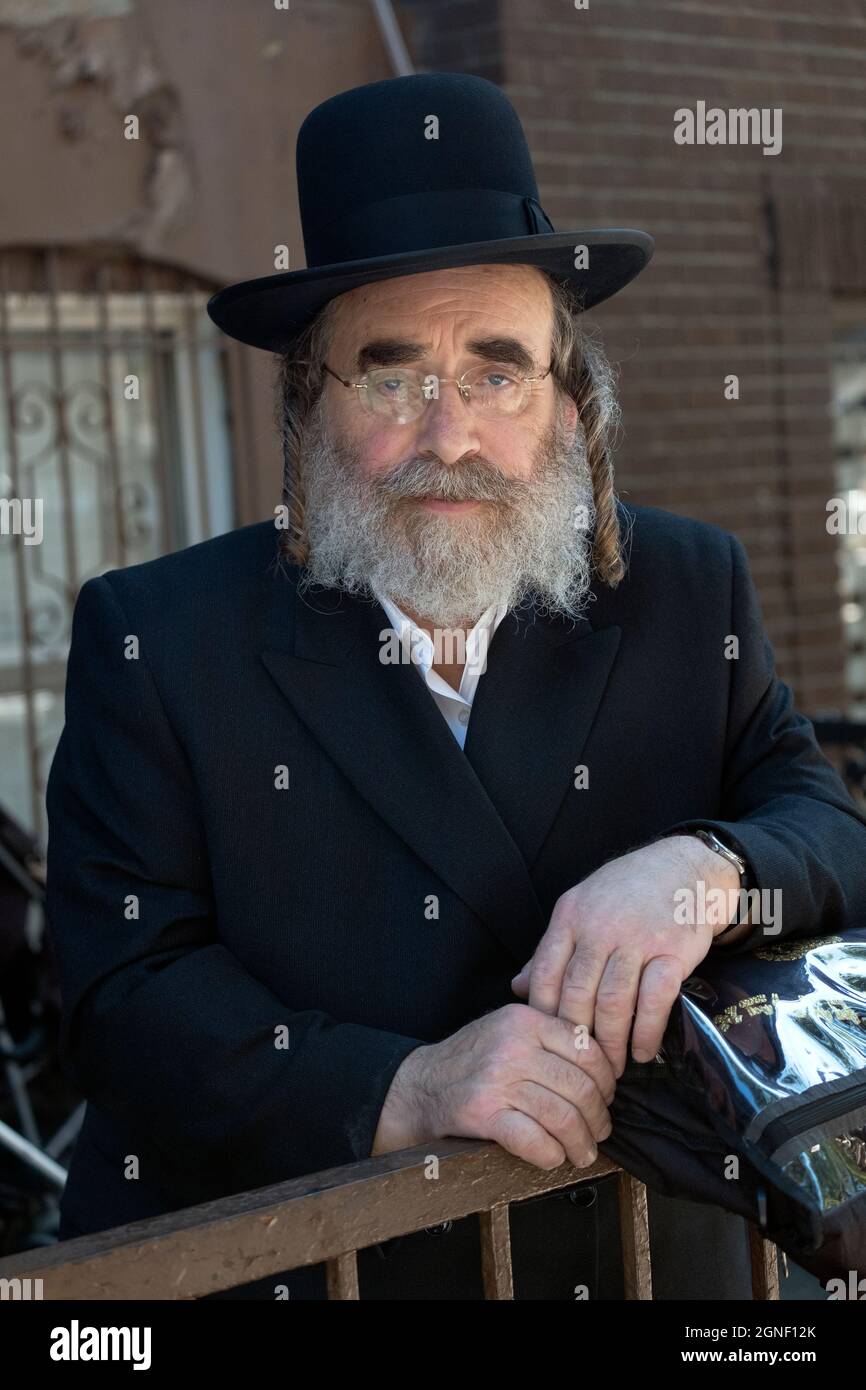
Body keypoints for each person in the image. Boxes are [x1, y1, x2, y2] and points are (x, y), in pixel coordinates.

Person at [46, 72, 866, 1300]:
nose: (448, 434)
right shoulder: (161, 637)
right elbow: (119, 993)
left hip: (656, 1269)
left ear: (565, 401)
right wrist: (399, 1087)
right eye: (390, 378)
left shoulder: (684, 588)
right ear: (307, 406)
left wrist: (707, 868)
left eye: (496, 373)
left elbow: (827, 830)